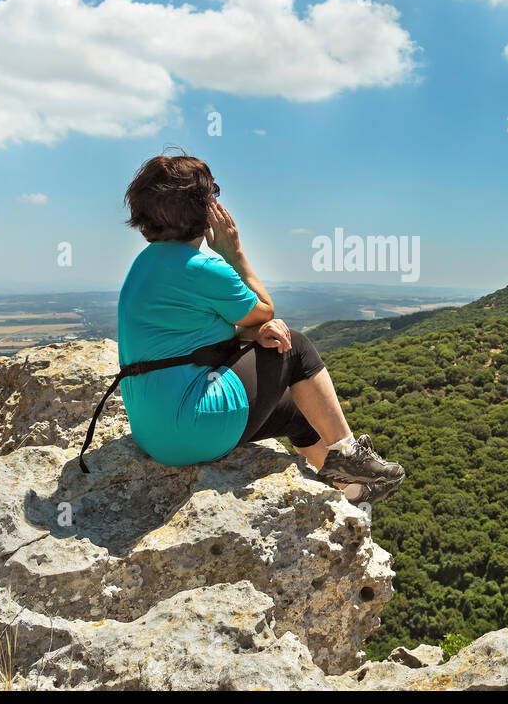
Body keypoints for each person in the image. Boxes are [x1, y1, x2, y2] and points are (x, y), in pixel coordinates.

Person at [115, 151, 404, 506]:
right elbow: (265, 311)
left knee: (299, 411)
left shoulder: (142, 267)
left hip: (154, 433)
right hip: (192, 427)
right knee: (293, 345)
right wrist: (233, 252)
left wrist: (250, 334)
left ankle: (353, 492)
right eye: (213, 194)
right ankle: (349, 454)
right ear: (202, 208)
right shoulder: (202, 266)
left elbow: (192, 341)